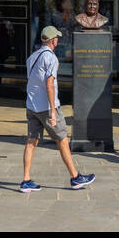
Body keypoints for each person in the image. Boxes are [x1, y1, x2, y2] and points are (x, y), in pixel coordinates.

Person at [21, 26, 94, 193]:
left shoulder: (32, 57)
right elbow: (49, 84)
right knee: (62, 139)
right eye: (57, 38)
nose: (58, 41)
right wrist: (53, 111)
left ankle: (26, 180)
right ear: (53, 41)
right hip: (46, 106)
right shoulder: (51, 58)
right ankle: (75, 177)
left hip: (32, 106)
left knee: (31, 142)